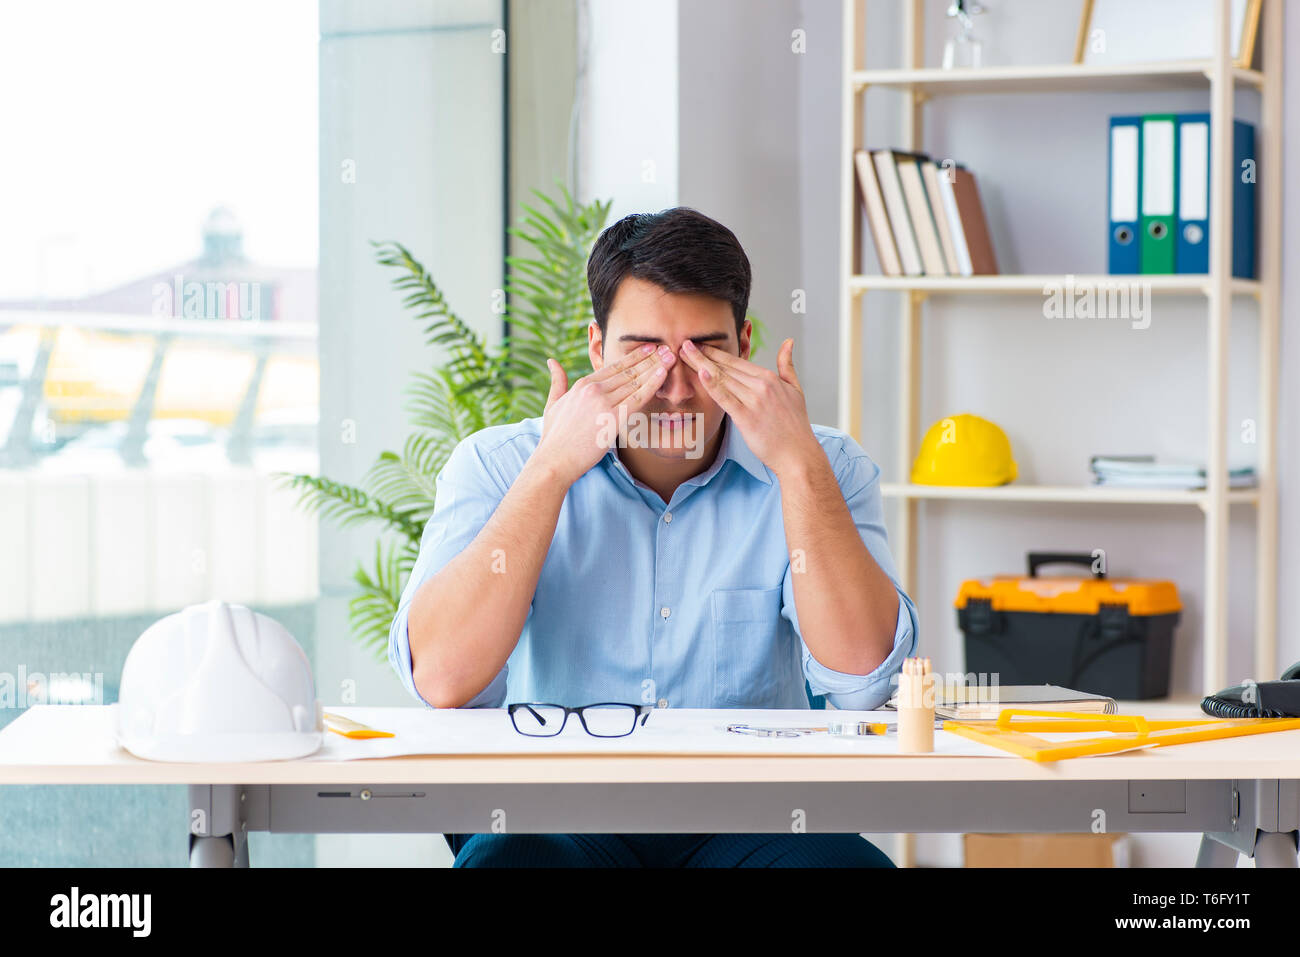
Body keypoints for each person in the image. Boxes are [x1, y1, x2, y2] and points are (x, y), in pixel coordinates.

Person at [389, 207, 919, 867]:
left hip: (754, 817)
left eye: (704, 352)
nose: (673, 388)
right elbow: (442, 679)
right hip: (558, 811)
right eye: (643, 353)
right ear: (596, 348)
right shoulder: (497, 465)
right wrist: (550, 471)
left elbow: (865, 681)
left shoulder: (824, 466)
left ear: (744, 346)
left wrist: (797, 468)